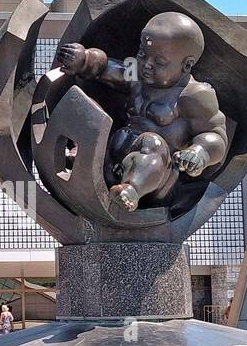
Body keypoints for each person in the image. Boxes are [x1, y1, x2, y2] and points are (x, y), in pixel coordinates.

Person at [54, 11, 229, 212]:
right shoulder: (137, 75)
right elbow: (106, 68)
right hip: (116, 157)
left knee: (152, 143)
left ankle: (131, 190)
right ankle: (80, 158)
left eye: (160, 62)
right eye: (142, 54)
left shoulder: (195, 95)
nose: (147, 65)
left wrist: (199, 152)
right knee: (87, 107)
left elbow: (216, 135)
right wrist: (84, 59)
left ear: (186, 65)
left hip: (157, 178)